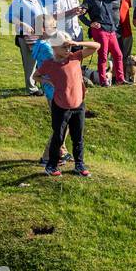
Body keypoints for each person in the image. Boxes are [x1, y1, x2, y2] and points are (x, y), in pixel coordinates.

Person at [36, 36, 98, 177]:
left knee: (78, 137)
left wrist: (77, 43)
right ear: (54, 47)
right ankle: (51, 165)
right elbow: (36, 75)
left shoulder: (75, 57)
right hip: (60, 105)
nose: (67, 49)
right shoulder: (49, 63)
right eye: (63, 46)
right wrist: (46, 80)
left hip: (78, 104)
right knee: (58, 137)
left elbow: (96, 46)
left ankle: (79, 164)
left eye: (68, 46)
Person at [79, 0, 128, 86]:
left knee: (118, 54)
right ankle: (103, 80)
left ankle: (120, 79)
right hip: (100, 30)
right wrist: (90, 24)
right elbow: (81, 14)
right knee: (103, 55)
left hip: (111, 29)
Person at [7, 0, 49, 96]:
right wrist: (22, 24)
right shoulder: (19, 0)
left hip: (40, 33)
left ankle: (43, 84)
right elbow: (9, 17)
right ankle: (31, 89)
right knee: (30, 63)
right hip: (26, 35)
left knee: (43, 60)